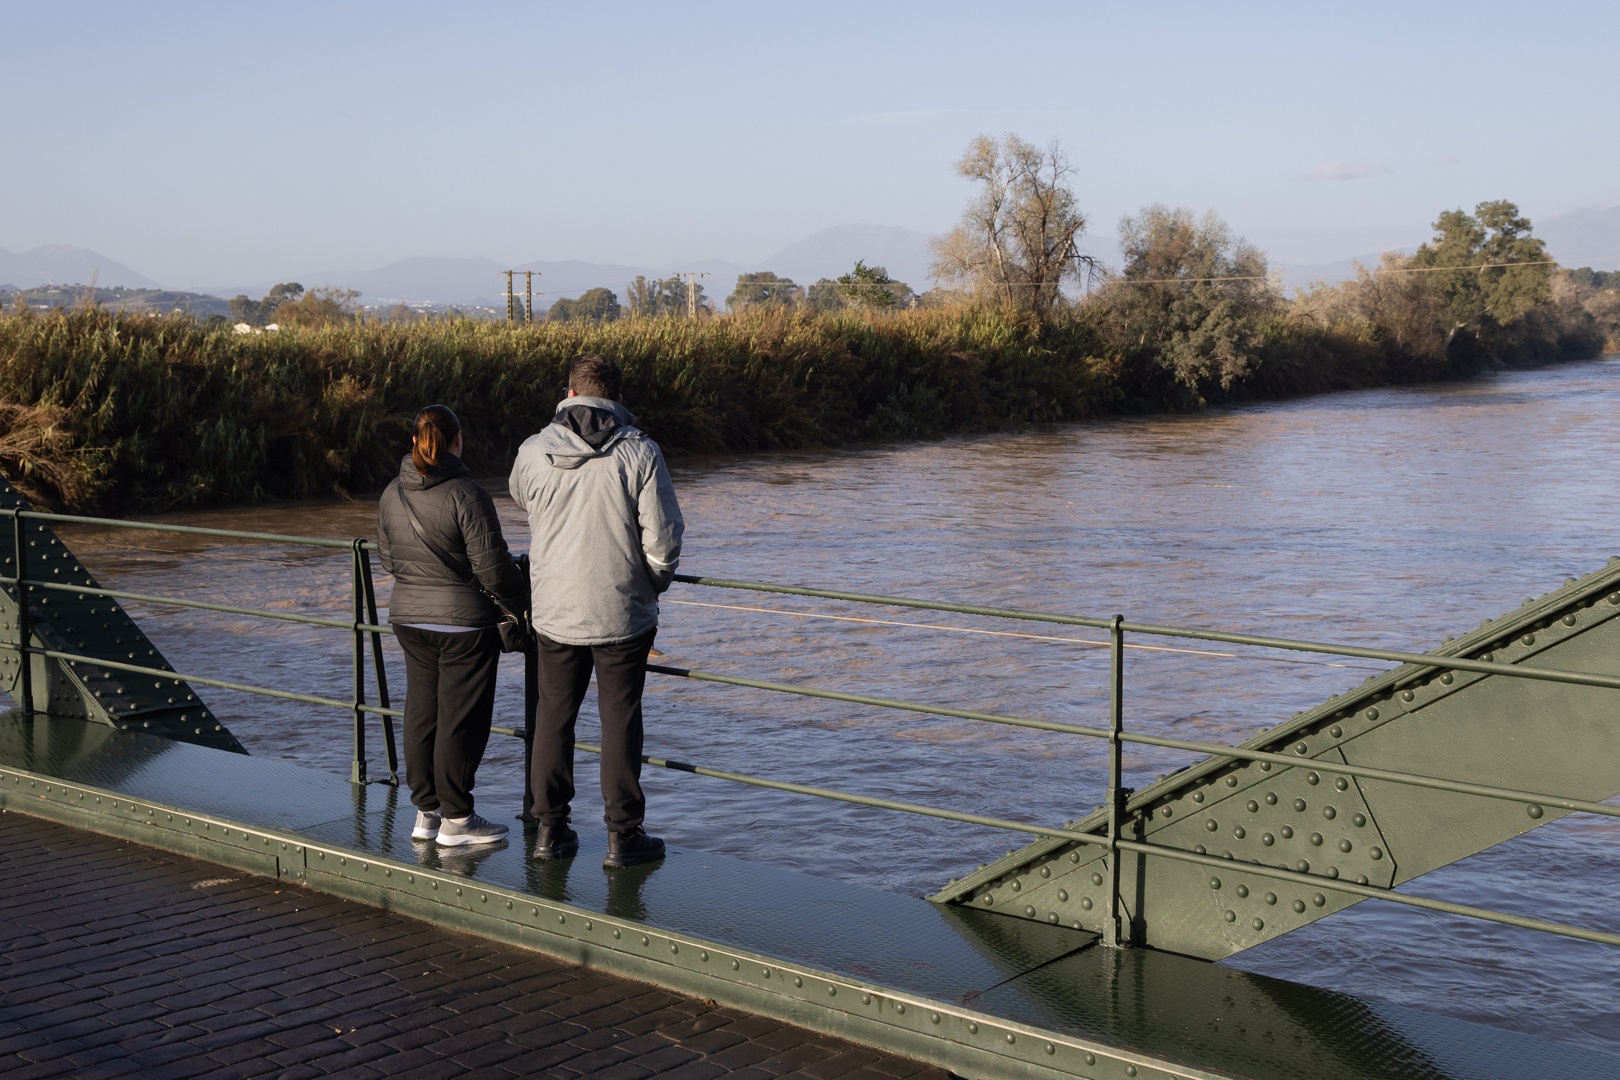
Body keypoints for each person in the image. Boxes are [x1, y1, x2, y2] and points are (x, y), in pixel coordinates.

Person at [509, 354, 684, 868]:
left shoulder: (533, 451)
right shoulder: (642, 453)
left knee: (553, 718)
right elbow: (665, 539)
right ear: (618, 399)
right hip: (622, 613)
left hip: (555, 612)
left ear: (569, 395)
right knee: (620, 722)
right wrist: (649, 583)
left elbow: (522, 498)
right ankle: (622, 838)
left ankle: (549, 831)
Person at [377, 405, 528, 847]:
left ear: (414, 441)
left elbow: (389, 560)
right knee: (461, 718)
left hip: (409, 618)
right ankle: (458, 819)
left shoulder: (390, 493)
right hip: (463, 627)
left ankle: (427, 813)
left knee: (422, 711)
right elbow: (495, 571)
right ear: (458, 441)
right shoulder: (468, 494)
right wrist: (522, 596)